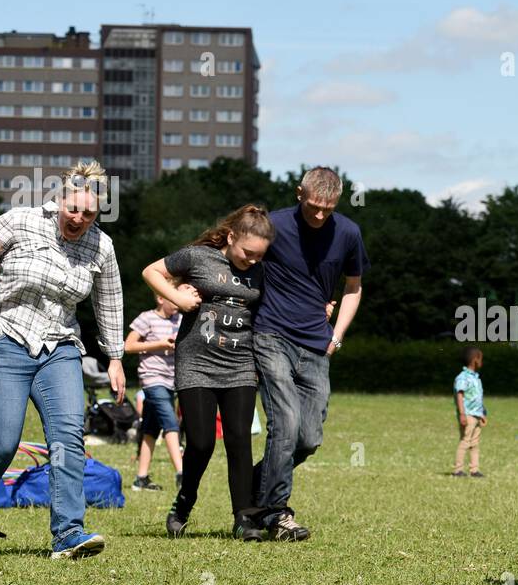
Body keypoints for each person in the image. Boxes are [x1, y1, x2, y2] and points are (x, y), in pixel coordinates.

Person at [0, 160, 126, 560]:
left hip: (60, 347)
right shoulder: (20, 221)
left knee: (68, 438)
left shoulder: (100, 246)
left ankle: (68, 533)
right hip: (7, 339)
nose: (79, 218)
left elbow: (109, 301)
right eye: (73, 208)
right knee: (2, 443)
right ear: (59, 199)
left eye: (89, 213)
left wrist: (116, 357)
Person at [250, 168, 369, 541]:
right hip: (271, 335)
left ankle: (253, 484)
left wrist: (337, 336)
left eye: (327, 209)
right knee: (284, 424)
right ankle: (275, 513)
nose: (319, 215)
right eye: (314, 206)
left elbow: (353, 286)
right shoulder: (273, 225)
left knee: (308, 438)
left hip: (317, 343)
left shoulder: (348, 232)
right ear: (299, 193)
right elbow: (239, 258)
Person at [143, 205, 273, 541]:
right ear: (231, 237)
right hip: (196, 363)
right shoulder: (199, 257)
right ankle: (183, 505)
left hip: (240, 365)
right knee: (200, 443)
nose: (253, 261)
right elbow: (151, 271)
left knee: (239, 441)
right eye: (248, 253)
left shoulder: (260, 269)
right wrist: (176, 297)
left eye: (260, 255)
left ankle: (244, 517)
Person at [124, 294, 183, 491]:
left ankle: (141, 479)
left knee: (151, 428)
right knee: (170, 422)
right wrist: (160, 344)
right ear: (160, 298)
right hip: (152, 379)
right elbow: (129, 345)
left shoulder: (180, 320)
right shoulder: (147, 318)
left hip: (171, 381)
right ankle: (182, 473)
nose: (178, 303)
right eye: (174, 299)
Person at [453, 346, 486, 478]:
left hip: (477, 414)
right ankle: (458, 469)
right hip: (468, 415)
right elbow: (460, 396)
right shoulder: (463, 377)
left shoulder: (475, 377)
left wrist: (482, 413)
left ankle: (474, 469)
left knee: (475, 443)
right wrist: (462, 414)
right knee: (465, 441)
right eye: (480, 358)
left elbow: (478, 397)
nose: (482, 361)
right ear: (474, 360)